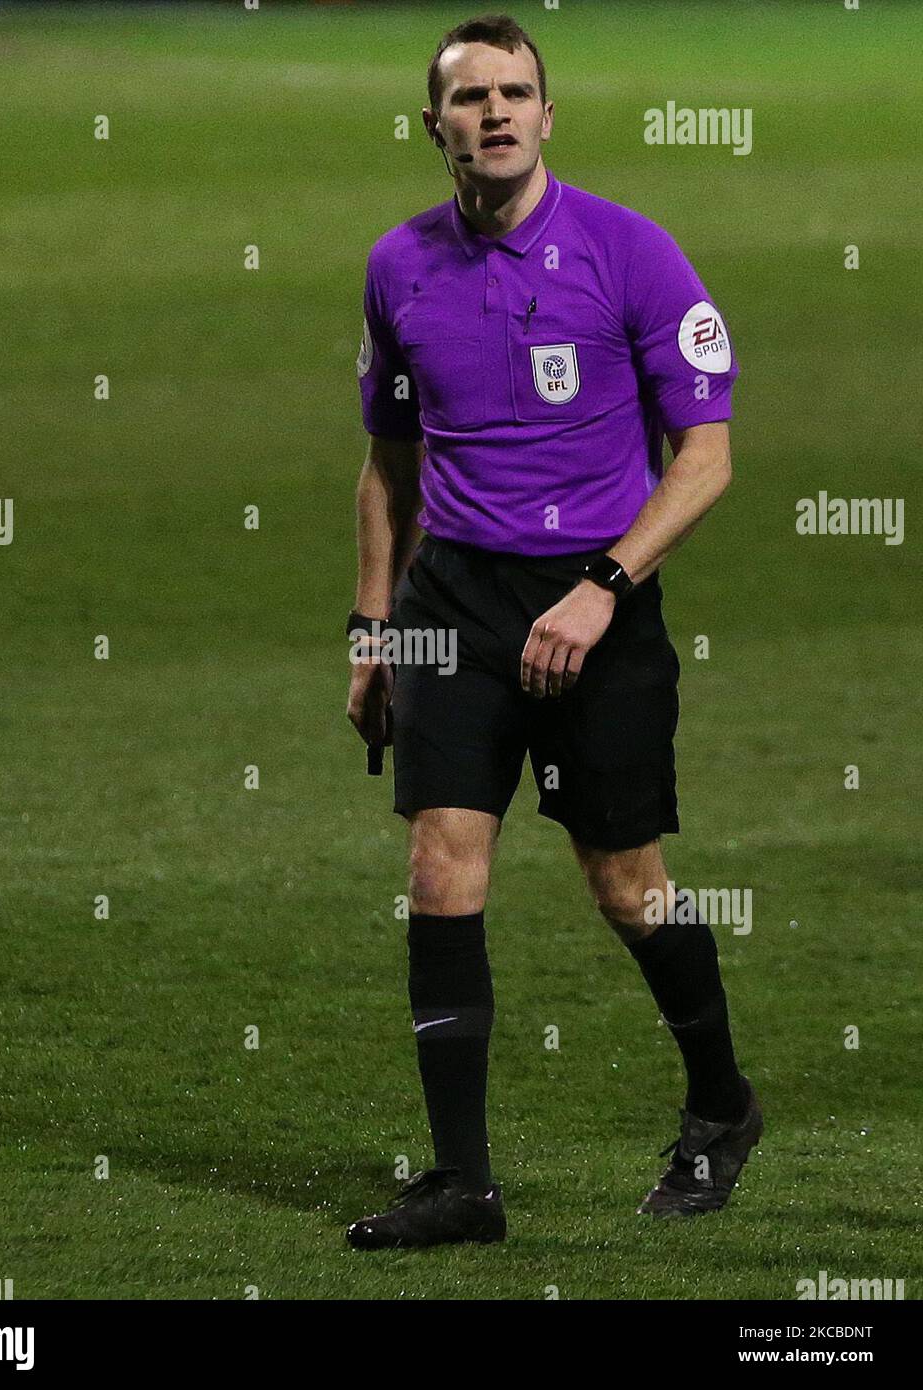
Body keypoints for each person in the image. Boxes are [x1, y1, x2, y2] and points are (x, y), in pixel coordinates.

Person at [345, 13, 761, 1249]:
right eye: (470, 97)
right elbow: (387, 467)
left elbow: (706, 458)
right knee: (438, 861)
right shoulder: (396, 266)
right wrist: (374, 626)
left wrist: (603, 583)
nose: (495, 113)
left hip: (600, 605)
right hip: (454, 607)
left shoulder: (631, 254)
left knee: (624, 883)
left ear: (546, 113)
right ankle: (462, 1183)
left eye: (516, 92)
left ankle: (721, 1105)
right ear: (435, 125)